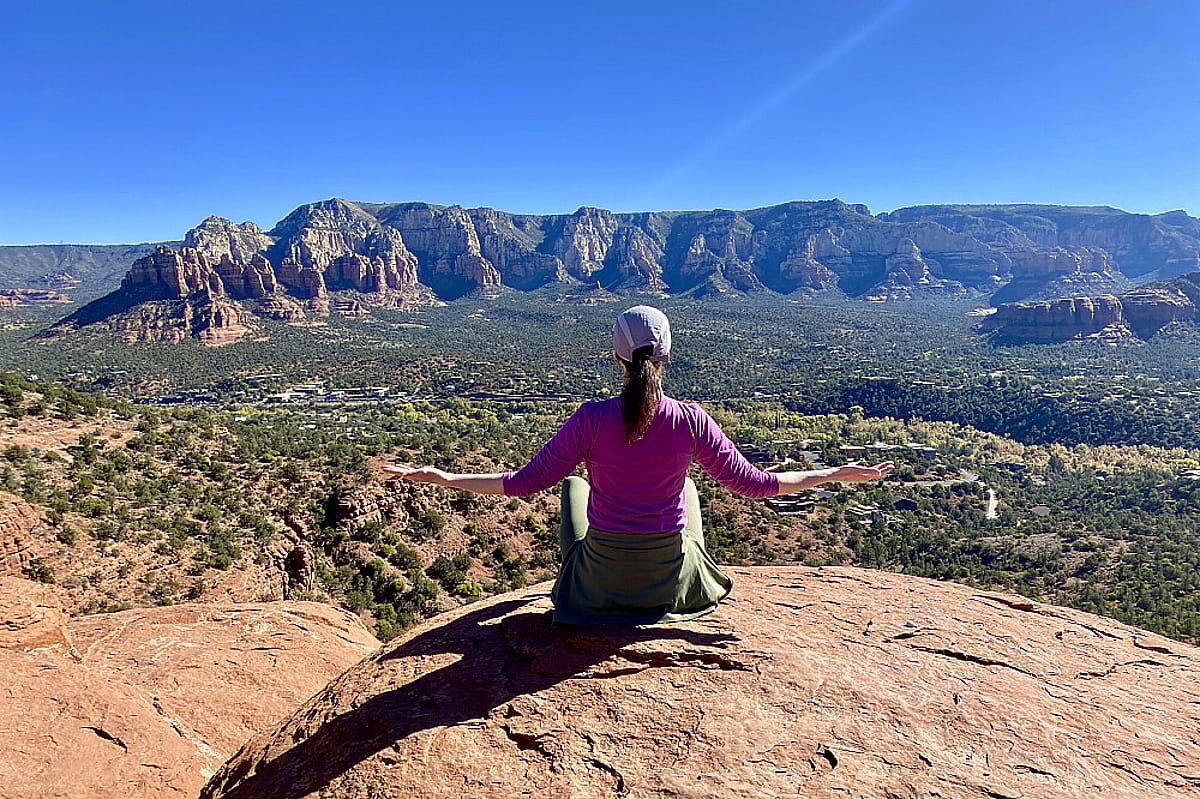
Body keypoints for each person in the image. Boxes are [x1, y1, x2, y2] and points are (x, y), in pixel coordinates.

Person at [383, 305, 893, 625]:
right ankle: (676, 574)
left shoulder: (590, 420)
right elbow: (758, 486)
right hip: (668, 581)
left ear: (617, 357)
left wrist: (444, 478)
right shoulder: (690, 420)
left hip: (600, 585)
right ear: (667, 354)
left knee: (573, 488)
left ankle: (582, 580)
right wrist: (836, 474)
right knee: (689, 492)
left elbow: (522, 484)